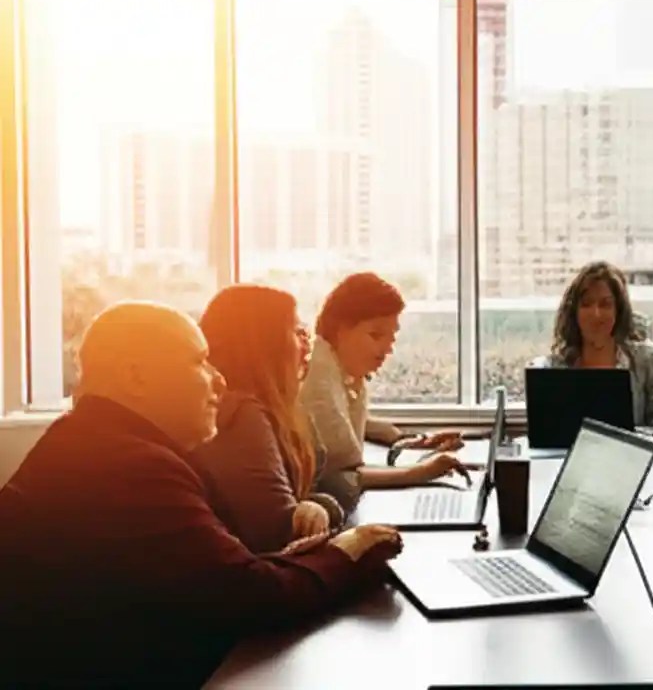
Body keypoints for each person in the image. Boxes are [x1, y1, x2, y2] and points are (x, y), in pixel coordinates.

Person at [0, 302, 403, 687]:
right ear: (136, 377)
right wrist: (346, 553)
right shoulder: (128, 465)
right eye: (199, 361)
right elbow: (249, 600)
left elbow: (210, 575)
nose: (219, 379)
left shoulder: (94, 439)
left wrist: (287, 562)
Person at [192, 285, 344, 553]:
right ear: (266, 343)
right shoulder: (239, 415)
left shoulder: (271, 409)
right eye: (297, 332)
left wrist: (319, 506)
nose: (306, 343)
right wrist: (325, 508)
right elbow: (281, 531)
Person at [303, 272, 467, 513]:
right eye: (376, 335)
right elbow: (343, 474)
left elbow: (350, 423)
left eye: (391, 337)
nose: (387, 349)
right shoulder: (316, 382)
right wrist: (422, 472)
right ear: (340, 331)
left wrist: (413, 441)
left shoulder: (339, 371)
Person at [531, 261, 653, 436]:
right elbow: (547, 432)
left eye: (605, 304)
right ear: (574, 312)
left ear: (619, 311)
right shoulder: (554, 368)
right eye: (586, 304)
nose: (596, 314)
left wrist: (637, 438)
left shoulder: (648, 360)